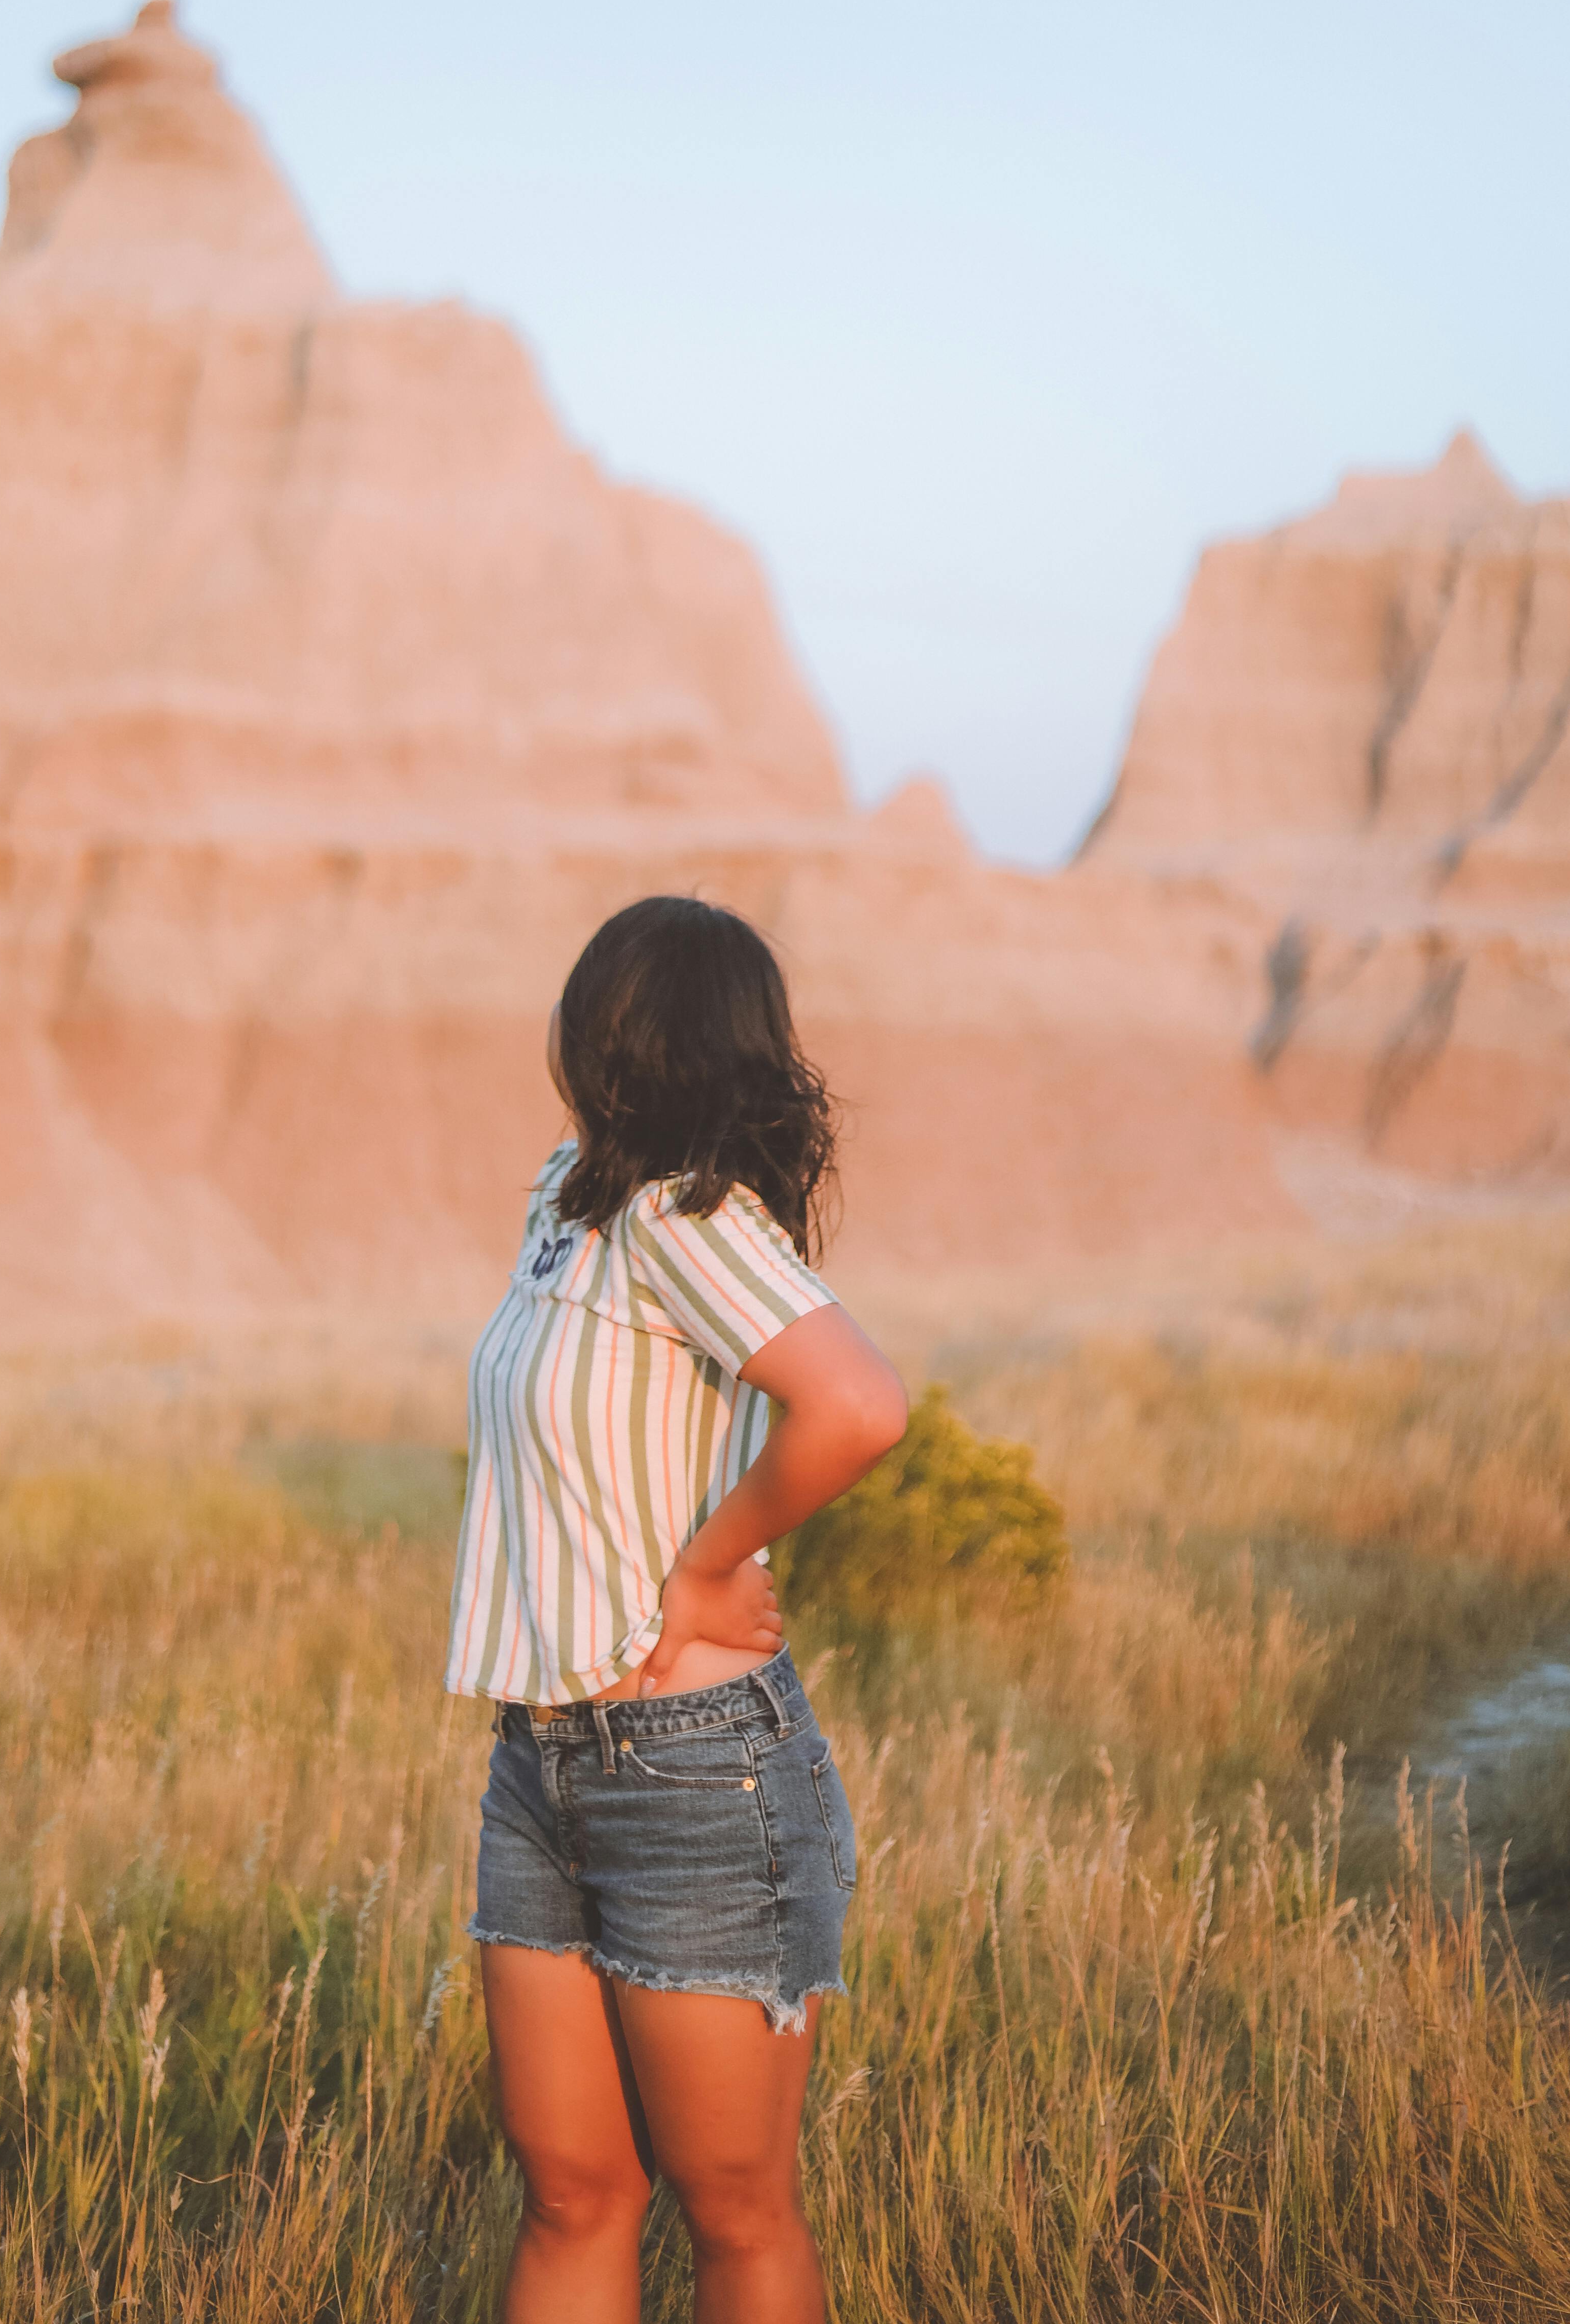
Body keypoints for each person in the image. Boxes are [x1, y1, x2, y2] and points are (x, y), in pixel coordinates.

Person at [447, 894, 909, 2324]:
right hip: (540, 1765)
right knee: (575, 2191)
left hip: (695, 1768)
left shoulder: (683, 1219)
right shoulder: (566, 1200)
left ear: (614, 1031)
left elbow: (859, 1406)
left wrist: (710, 1568)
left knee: (738, 2216)